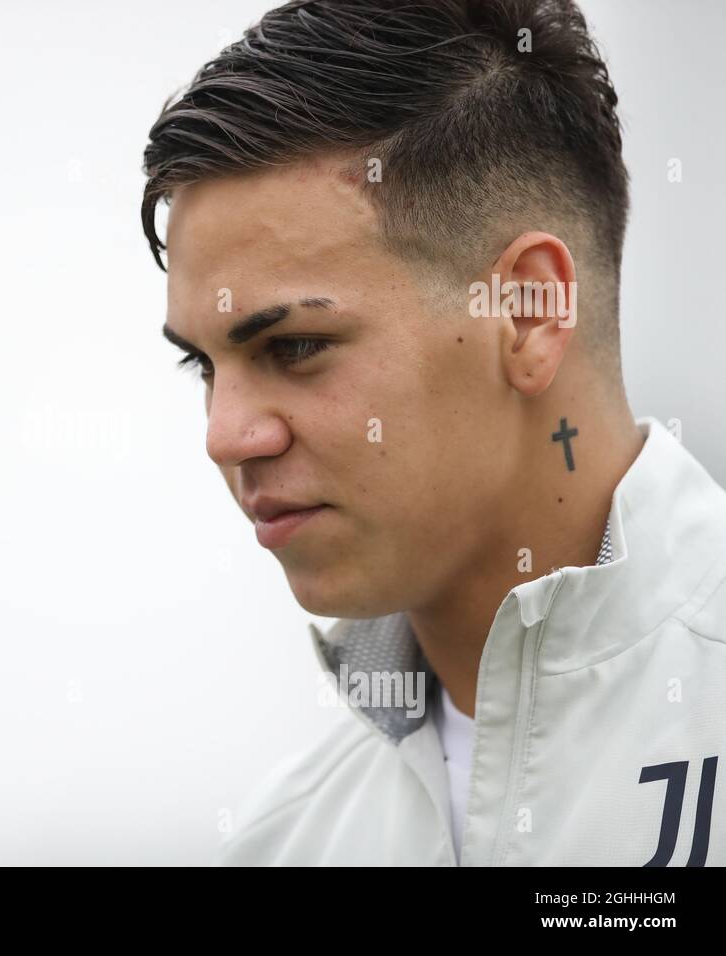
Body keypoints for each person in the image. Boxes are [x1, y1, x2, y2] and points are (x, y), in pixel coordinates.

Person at [141, 0, 726, 865]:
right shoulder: (278, 842)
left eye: (294, 346)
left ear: (527, 311)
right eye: (204, 367)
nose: (226, 436)